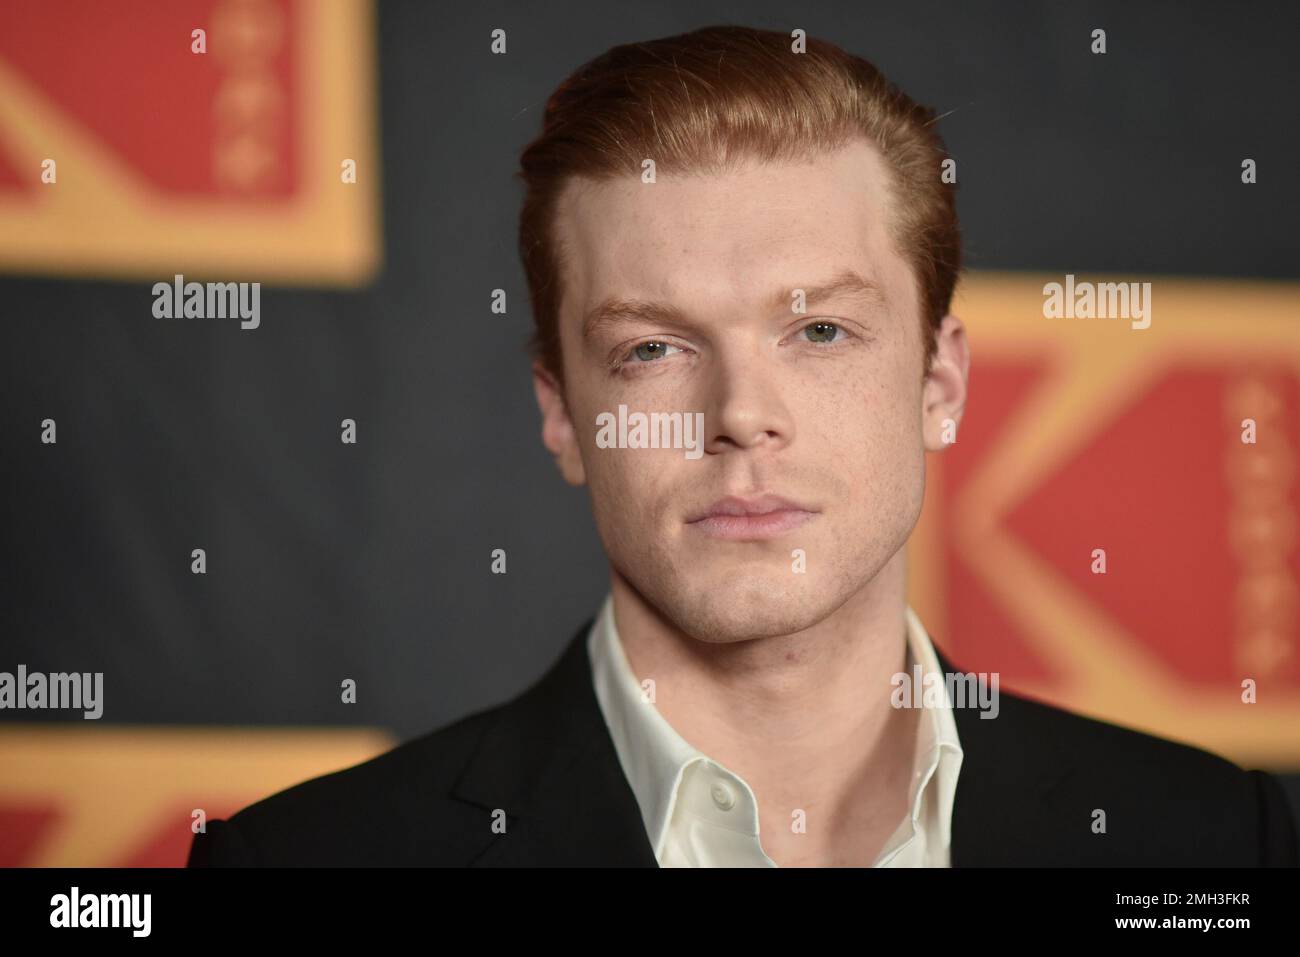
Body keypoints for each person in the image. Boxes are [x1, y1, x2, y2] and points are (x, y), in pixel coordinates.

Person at [188, 24, 1298, 867]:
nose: (739, 414)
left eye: (819, 330)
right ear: (562, 415)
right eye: (652, 348)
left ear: (938, 381)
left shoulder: (1215, 844)